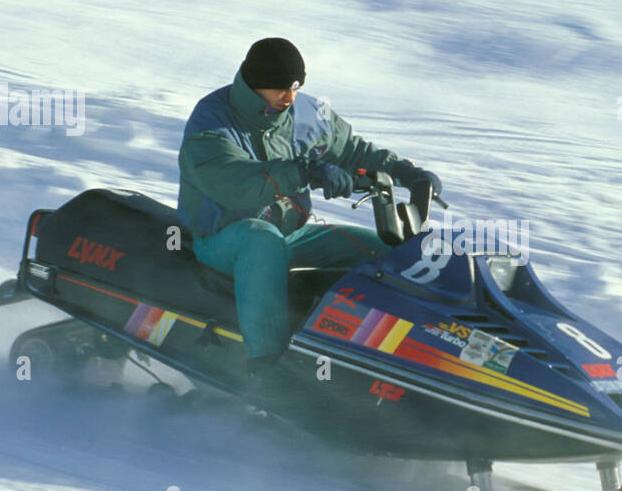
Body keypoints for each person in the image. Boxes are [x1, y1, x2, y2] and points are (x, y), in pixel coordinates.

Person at [176, 37, 440, 380]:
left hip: (292, 232)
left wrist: (408, 173)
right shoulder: (210, 126)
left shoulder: (305, 114)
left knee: (383, 252)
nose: (290, 97)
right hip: (225, 236)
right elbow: (239, 184)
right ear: (256, 85)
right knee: (262, 241)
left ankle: (398, 356)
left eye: (296, 88)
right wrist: (305, 171)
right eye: (281, 89)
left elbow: (352, 150)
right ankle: (266, 369)